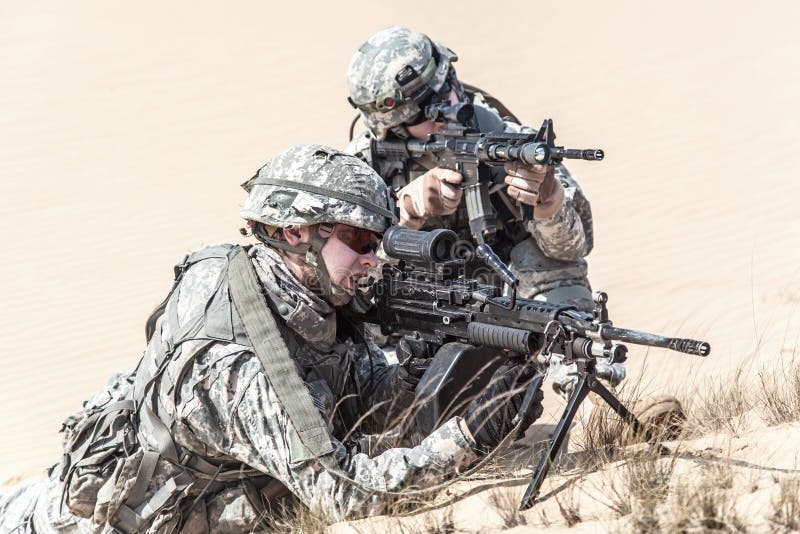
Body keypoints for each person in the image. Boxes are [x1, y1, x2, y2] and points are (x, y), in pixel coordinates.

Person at [0, 144, 542, 533]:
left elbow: (370, 403)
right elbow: (348, 495)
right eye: (360, 238)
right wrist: (465, 440)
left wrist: (465, 366)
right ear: (294, 234)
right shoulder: (234, 360)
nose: (373, 257)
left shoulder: (306, 298)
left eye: (379, 241)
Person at [345, 26, 594, 310]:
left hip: (501, 292)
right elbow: (347, 281)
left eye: (443, 93)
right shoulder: (363, 170)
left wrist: (548, 202)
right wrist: (406, 217)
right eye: (421, 112)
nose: (442, 114)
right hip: (420, 307)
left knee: (560, 283)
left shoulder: (504, 135)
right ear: (393, 128)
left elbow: (574, 249)